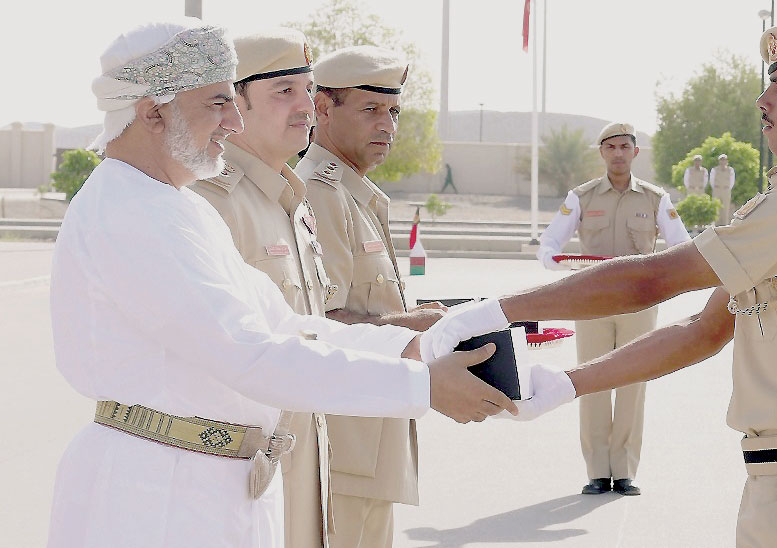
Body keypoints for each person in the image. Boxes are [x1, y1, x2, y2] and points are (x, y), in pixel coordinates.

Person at [422, 17, 777, 547]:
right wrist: (570, 384)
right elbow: (703, 329)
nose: (762, 101)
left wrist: (499, 311)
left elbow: (653, 280)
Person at [47, 19, 516, 548]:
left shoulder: (173, 207)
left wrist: (419, 347)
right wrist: (424, 386)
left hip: (209, 489)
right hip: (157, 498)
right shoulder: (130, 210)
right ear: (154, 112)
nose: (232, 122)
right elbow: (248, 353)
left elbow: (286, 326)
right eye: (217, 103)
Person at [188, 28, 336, 548]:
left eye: (309, 90)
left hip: (302, 460)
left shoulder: (290, 199)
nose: (307, 106)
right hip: (237, 476)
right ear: (234, 104)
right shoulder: (210, 203)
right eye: (284, 91)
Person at [294, 45, 442, 548]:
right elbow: (320, 322)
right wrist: (414, 325)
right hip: (343, 442)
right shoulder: (318, 192)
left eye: (394, 112)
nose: (387, 126)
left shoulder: (357, 193)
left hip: (372, 433)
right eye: (370, 109)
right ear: (322, 108)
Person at [535, 122, 689, 496]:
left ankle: (624, 472)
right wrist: (566, 263)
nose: (618, 154)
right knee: (591, 382)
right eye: (611, 147)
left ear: (635, 152)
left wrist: (659, 277)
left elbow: (681, 246)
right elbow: (549, 246)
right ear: (601, 152)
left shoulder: (655, 199)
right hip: (593, 303)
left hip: (639, 303)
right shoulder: (581, 197)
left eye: (625, 147)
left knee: (634, 382)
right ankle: (596, 472)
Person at [710, 153, 735, 225]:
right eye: (721, 160)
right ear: (719, 161)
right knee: (716, 207)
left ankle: (725, 224)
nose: (723, 161)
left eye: (724, 160)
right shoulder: (714, 170)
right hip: (717, 189)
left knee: (726, 208)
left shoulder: (730, 170)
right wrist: (716, 187)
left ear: (727, 161)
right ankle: (716, 225)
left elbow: (732, 181)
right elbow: (711, 180)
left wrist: (727, 188)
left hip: (726, 190)